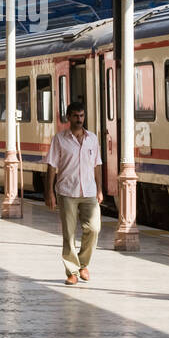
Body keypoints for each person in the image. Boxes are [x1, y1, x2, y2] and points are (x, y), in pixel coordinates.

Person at [45, 101, 103, 286]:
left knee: (94, 229)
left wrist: (100, 189)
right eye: (76, 116)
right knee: (69, 234)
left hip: (89, 191)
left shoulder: (92, 138)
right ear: (68, 117)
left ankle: (83, 264)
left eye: (82, 116)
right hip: (67, 191)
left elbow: (97, 165)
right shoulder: (59, 139)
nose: (80, 120)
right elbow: (51, 167)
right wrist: (49, 193)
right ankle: (72, 271)